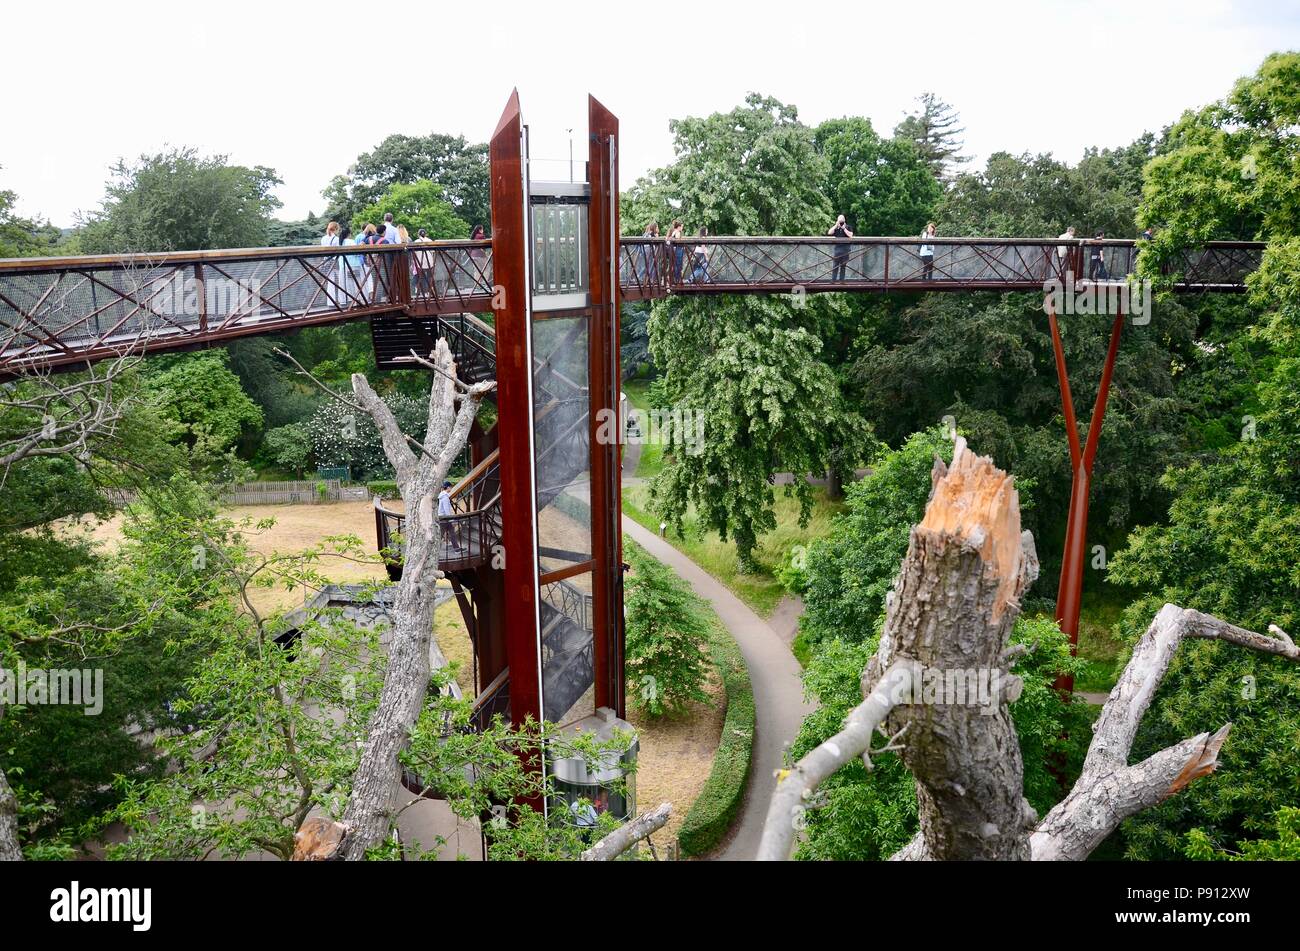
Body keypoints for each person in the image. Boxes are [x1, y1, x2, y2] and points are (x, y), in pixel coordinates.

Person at [438, 480, 462, 551]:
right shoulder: (445, 497)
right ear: (448, 487)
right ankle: (433, 550)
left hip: (444, 518)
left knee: (452, 533)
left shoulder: (443, 496)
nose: (451, 489)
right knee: (441, 535)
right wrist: (451, 520)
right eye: (450, 487)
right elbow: (447, 510)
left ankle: (456, 548)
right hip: (445, 518)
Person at [828, 214, 853, 281]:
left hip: (845, 250)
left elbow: (850, 235)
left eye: (841, 221)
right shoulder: (836, 228)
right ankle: (833, 280)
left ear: (844, 220)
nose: (841, 223)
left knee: (843, 266)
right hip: (837, 249)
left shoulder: (848, 227)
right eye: (839, 221)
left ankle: (842, 280)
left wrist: (844, 228)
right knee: (835, 265)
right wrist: (836, 225)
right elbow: (829, 232)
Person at [413, 227, 436, 297]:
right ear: (425, 234)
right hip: (430, 262)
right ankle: (429, 291)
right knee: (430, 277)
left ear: (418, 234)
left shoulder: (416, 242)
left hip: (420, 263)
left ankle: (421, 291)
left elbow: (414, 253)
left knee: (421, 277)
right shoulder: (430, 240)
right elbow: (433, 251)